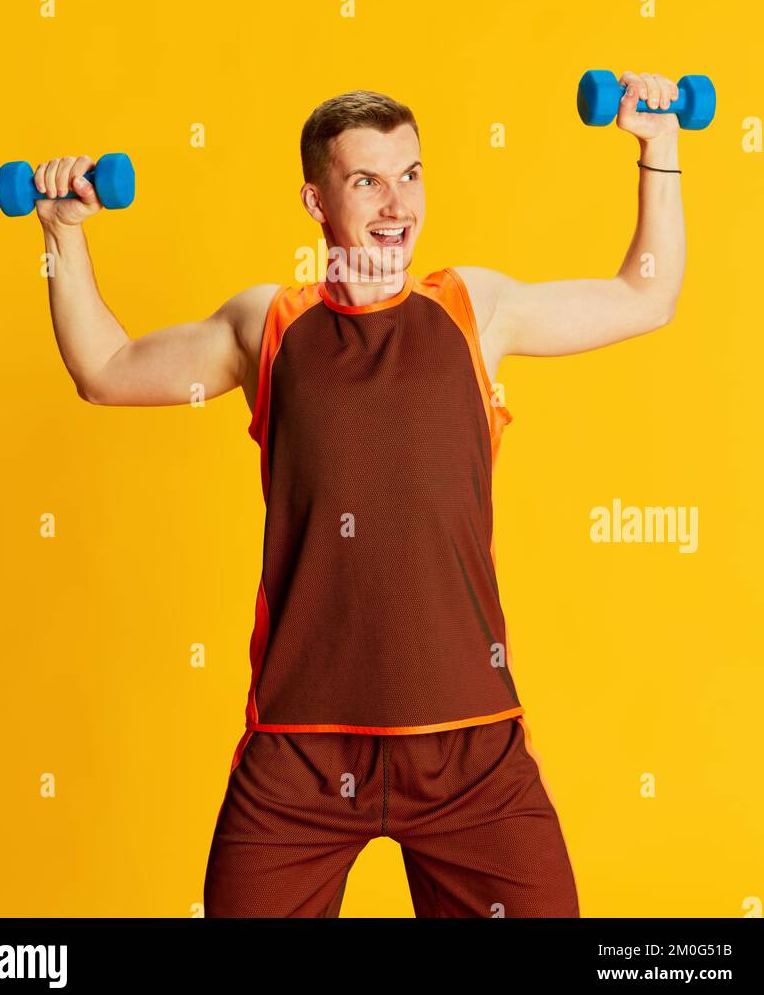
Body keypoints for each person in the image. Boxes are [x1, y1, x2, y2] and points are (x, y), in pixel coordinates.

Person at [36, 73, 683, 917]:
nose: (396, 202)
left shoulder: (473, 311)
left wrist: (659, 150)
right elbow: (105, 371)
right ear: (315, 198)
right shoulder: (266, 327)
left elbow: (647, 295)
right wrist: (61, 234)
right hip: (299, 753)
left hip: (468, 749)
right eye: (367, 180)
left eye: (410, 174)